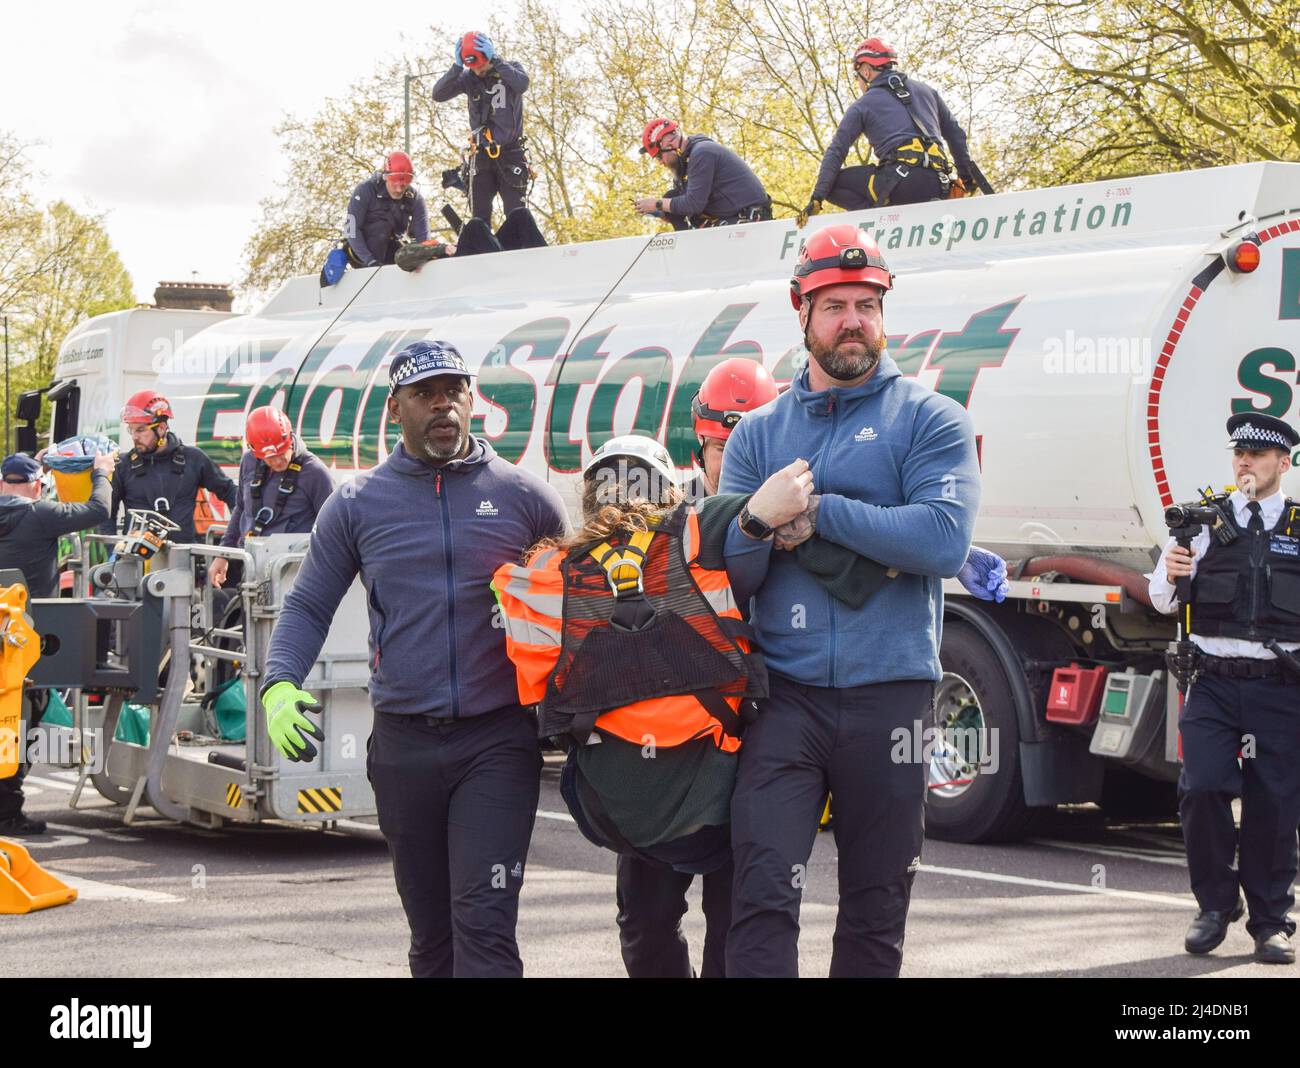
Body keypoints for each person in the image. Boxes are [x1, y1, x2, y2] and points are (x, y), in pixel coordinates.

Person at [259, 339, 568, 978]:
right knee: (432, 940)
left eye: (454, 390)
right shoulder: (356, 503)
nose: (443, 405)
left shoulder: (525, 498)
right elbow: (310, 604)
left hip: (497, 740)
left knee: (483, 927)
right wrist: (279, 684)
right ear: (395, 406)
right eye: (425, 394)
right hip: (403, 746)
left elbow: (578, 614)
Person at [719, 222, 980, 977]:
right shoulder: (759, 434)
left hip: (890, 698)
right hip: (785, 699)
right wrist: (755, 521)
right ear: (801, 312)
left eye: (867, 304)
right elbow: (729, 577)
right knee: (762, 891)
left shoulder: (930, 419)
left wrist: (820, 513)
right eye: (834, 305)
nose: (853, 321)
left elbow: (939, 541)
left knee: (875, 905)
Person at [493, 434, 808, 978]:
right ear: (668, 494)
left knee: (645, 924)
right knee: (731, 920)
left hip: (622, 799)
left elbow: (538, 693)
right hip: (720, 784)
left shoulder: (545, 575)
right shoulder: (702, 535)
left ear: (588, 498)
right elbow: (773, 509)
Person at [1148, 412, 1300, 965]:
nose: (1245, 462)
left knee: (1275, 805)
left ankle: (1270, 923)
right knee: (1203, 787)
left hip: (1280, 687)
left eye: (1258, 455)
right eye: (1239, 453)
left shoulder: (1299, 527)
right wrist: (1170, 568)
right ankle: (1215, 906)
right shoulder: (1202, 524)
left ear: (1284, 463)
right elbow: (1163, 601)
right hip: (1213, 681)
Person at [0, 450, 115, 836]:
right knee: (24, 720)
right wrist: (101, 473)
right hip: (21, 644)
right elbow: (98, 509)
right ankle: (6, 810)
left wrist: (33, 465)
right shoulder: (41, 514)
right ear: (36, 485)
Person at [803, 38, 973, 216]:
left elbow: (836, 150)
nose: (858, 81)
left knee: (833, 183)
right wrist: (968, 179)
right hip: (940, 184)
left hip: (900, 185)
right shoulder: (928, 91)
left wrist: (818, 197)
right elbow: (956, 135)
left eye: (857, 75)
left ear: (866, 71)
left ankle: (878, 221)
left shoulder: (863, 104)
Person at [209, 407, 334, 589]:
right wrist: (223, 555)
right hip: (253, 571)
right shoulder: (250, 462)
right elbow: (241, 509)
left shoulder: (315, 473)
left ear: (290, 440)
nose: (277, 462)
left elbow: (333, 527)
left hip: (295, 574)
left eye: (282, 454)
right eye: (270, 458)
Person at [112, 390, 237, 546]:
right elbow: (107, 514)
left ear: (162, 428)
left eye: (141, 429)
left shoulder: (193, 459)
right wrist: (112, 552)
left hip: (182, 560)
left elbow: (229, 491)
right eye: (131, 429)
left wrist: (237, 531)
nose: (134, 436)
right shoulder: (123, 466)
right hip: (137, 562)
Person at [433, 32, 530, 225]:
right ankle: (483, 246)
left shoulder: (510, 69)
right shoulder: (468, 78)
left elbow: (522, 84)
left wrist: (496, 60)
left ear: (488, 56)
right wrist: (457, 67)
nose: (477, 70)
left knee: (516, 213)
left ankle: (518, 247)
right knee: (479, 215)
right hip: (481, 156)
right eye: (472, 66)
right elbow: (438, 94)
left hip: (510, 153)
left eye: (480, 65)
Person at [635, 119, 773, 230]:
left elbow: (694, 204)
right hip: (731, 221)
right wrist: (659, 212)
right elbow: (682, 207)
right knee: (671, 197)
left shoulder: (702, 153)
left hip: (751, 222)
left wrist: (657, 203)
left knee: (669, 202)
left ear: (670, 143)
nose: (661, 162)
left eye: (659, 156)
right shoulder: (684, 169)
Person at [345, 151, 430, 269]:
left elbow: (423, 238)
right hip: (362, 253)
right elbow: (351, 230)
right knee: (381, 227)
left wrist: (423, 259)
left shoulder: (415, 199)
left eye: (403, 186)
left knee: (410, 251)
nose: (399, 190)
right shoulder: (364, 190)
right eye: (394, 185)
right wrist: (370, 261)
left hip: (392, 249)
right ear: (386, 177)